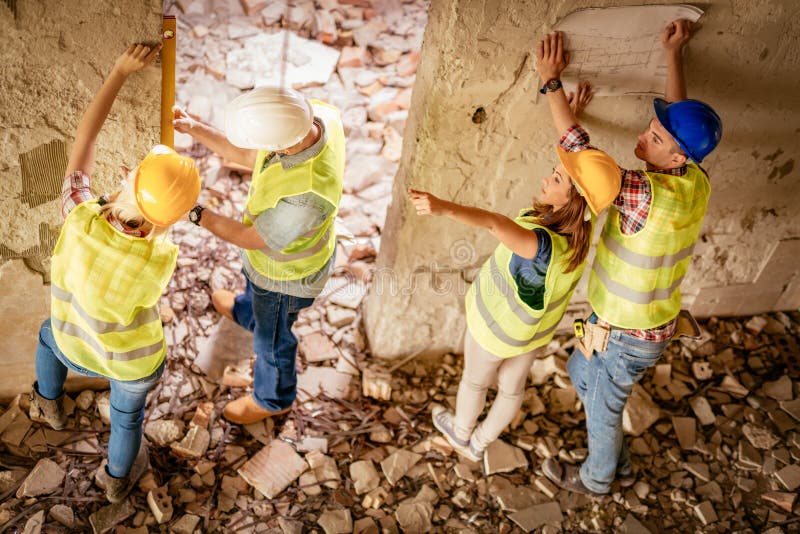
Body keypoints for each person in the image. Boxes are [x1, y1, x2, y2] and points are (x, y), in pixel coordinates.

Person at [537, 22, 723, 497]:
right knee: (582, 374)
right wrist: (673, 53)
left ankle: (598, 478)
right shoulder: (693, 178)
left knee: (601, 411)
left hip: (626, 334)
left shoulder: (646, 193)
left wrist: (550, 82)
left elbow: (582, 153)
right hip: (632, 323)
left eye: (656, 139)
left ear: (677, 158)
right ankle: (617, 462)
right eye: (651, 128)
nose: (644, 137)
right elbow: (678, 122)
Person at [28, 44, 201, 503]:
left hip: (74, 344)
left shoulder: (78, 215)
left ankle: (50, 403)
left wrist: (119, 72)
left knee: (47, 336)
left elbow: (84, 141)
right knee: (128, 419)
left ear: (127, 176)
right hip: (132, 365)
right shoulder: (161, 254)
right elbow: (151, 227)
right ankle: (115, 480)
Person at [411, 89, 621, 464]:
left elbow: (494, 222)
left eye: (557, 178)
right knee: (511, 390)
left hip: (495, 330)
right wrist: (572, 115)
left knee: (475, 381)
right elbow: (583, 180)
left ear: (571, 200)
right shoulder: (579, 234)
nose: (548, 178)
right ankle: (481, 443)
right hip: (532, 334)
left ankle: (460, 434)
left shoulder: (537, 244)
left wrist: (442, 207)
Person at [174, 87, 345, 425]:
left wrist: (194, 212)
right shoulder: (314, 118)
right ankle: (246, 312)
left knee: (272, 340)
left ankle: (273, 398)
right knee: (256, 297)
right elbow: (248, 155)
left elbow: (249, 238)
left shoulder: (306, 196)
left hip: (285, 277)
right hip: (268, 268)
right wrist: (194, 127)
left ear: (283, 145)